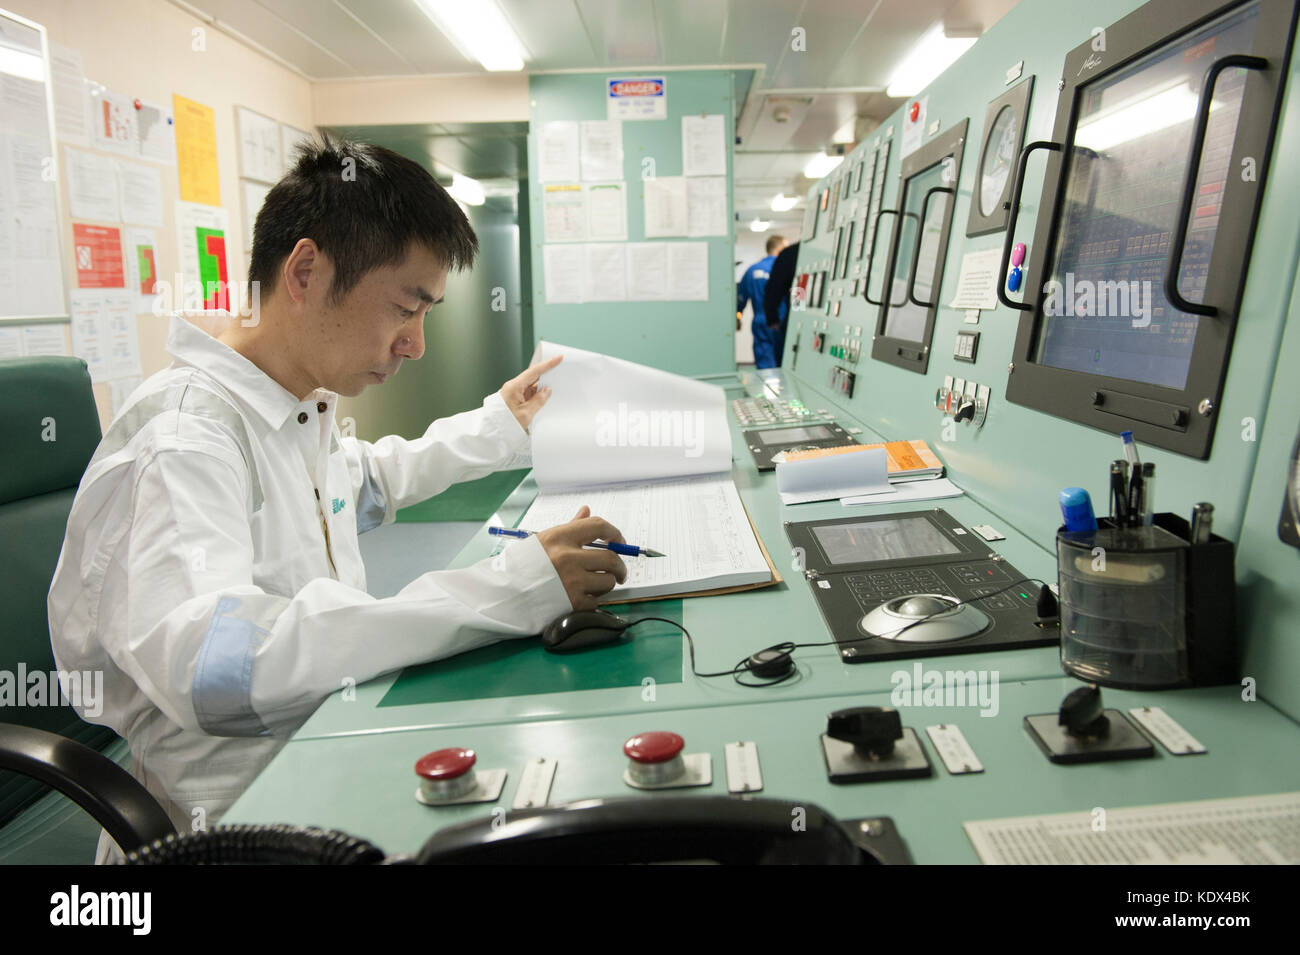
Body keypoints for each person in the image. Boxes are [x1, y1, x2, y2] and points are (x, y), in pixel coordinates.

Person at [47, 136, 627, 863]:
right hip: (240, 824)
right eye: (405, 307)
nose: (415, 342)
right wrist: (506, 590)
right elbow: (221, 670)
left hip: (327, 744)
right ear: (307, 270)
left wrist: (498, 425)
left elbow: (368, 485)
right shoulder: (186, 439)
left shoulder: (286, 407)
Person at [736, 235, 787, 369]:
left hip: (761, 321)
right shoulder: (785, 268)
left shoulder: (752, 270)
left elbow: (740, 299)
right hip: (783, 322)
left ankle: (766, 388)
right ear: (781, 249)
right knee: (785, 362)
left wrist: (737, 317)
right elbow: (799, 295)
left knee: (765, 364)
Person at [763, 240, 800, 368]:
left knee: (787, 365)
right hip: (798, 316)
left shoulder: (789, 253)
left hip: (794, 320)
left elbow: (773, 290)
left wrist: (772, 318)